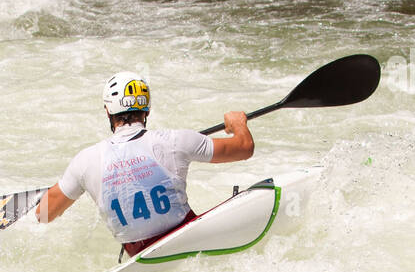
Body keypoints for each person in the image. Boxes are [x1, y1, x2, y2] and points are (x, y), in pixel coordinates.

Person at [35, 72, 254, 258]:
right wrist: (238, 123)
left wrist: (56, 191)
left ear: (108, 111)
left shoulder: (85, 161)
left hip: (140, 257)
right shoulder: (175, 141)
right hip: (191, 244)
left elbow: (44, 214)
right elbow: (244, 147)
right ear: (146, 110)